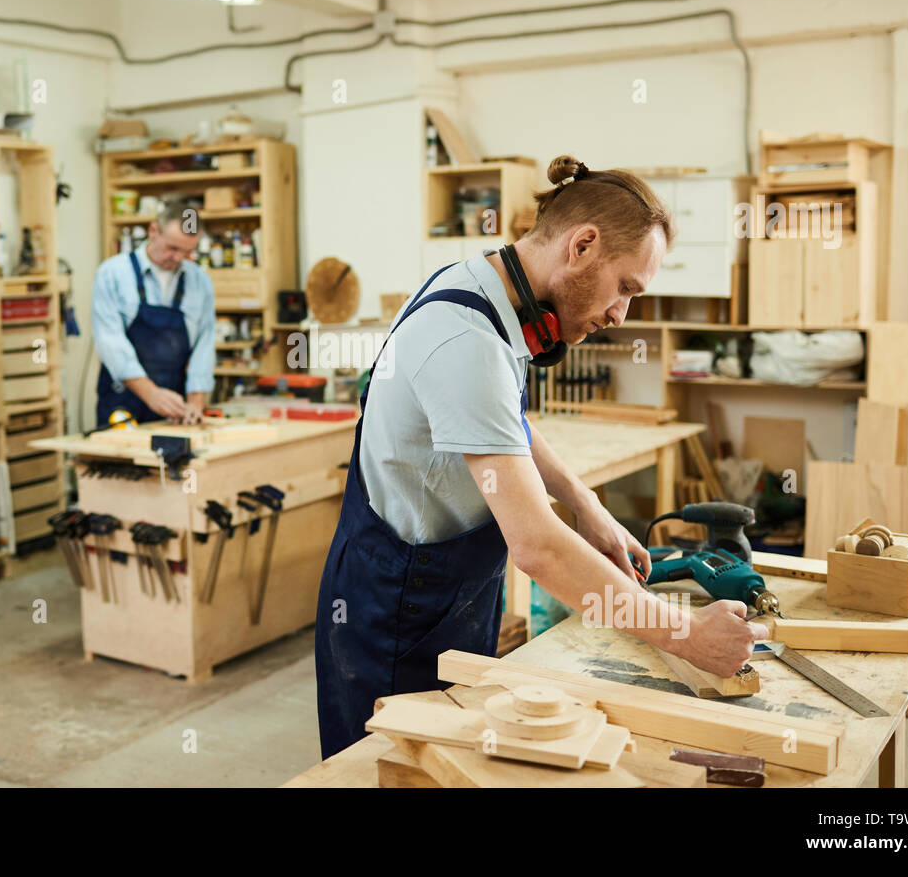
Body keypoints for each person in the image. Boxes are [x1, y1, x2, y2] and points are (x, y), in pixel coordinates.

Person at [314, 155, 768, 758]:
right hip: (395, 608)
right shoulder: (464, 340)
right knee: (394, 769)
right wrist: (685, 634)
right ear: (582, 245)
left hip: (437, 584)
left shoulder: (484, 286)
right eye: (625, 288)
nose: (619, 315)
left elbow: (506, 422)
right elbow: (536, 546)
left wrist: (583, 501)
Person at [92, 200, 215, 427]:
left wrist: (197, 400)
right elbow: (110, 341)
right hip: (123, 400)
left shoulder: (200, 281)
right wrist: (151, 394)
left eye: (188, 252)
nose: (179, 258)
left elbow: (205, 343)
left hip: (174, 404)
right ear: (153, 231)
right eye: (173, 248)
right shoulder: (112, 274)